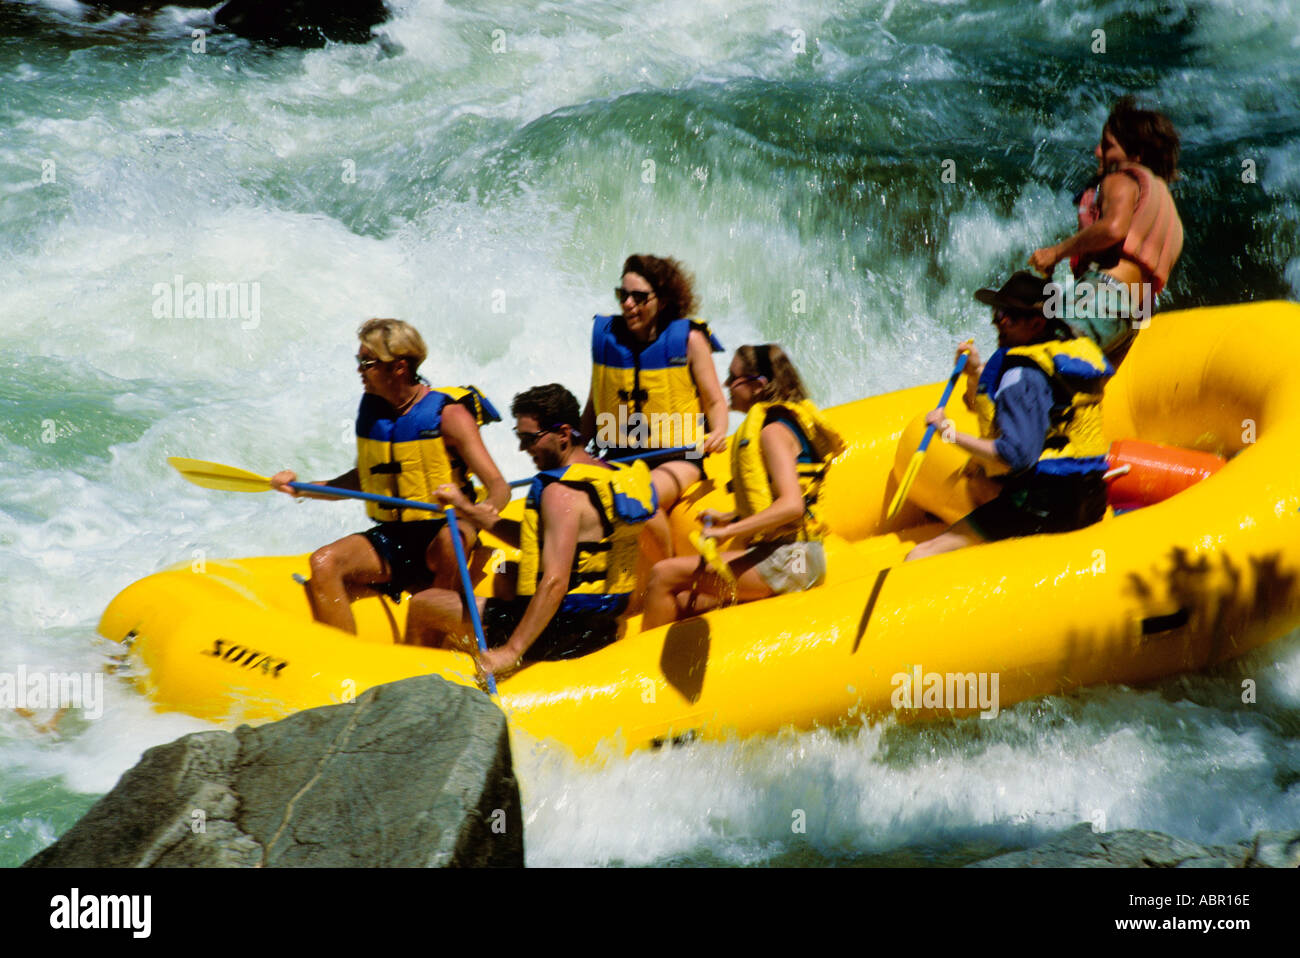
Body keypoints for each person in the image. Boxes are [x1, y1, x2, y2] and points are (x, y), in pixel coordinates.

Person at [271, 318, 509, 634]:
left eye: (367, 362)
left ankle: (432, 639)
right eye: (359, 360)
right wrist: (299, 488)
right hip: (396, 535)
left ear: (398, 367)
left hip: (447, 528)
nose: (359, 369)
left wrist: (478, 514)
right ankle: (346, 661)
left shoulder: (450, 417)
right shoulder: (376, 414)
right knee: (323, 562)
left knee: (451, 540)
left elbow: (499, 487)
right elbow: (362, 481)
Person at [404, 383, 658, 678]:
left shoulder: (559, 492)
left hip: (560, 632)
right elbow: (539, 540)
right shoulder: (609, 474)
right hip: (601, 624)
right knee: (508, 573)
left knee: (424, 604)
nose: (522, 448)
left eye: (529, 438)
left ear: (562, 434)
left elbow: (554, 583)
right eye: (519, 437)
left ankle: (418, 682)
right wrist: (467, 509)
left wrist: (510, 652)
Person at [905, 273, 1111, 562]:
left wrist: (947, 432)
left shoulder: (1021, 374)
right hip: (1090, 498)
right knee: (980, 481)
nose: (996, 321)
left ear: (1037, 323)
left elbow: (1013, 456)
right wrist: (976, 372)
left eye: (1007, 315)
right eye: (996, 312)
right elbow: (1005, 415)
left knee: (920, 554)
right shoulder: (1068, 354)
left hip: (1045, 508)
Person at [641, 344, 844, 628]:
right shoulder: (783, 423)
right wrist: (730, 517)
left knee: (663, 574)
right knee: (688, 602)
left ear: (758, 385)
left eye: (733, 377)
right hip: (791, 556)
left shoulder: (772, 432)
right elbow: (782, 501)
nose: (726, 384)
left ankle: (643, 671)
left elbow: (792, 506)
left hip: (790, 560)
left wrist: (729, 531)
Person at [581, 254, 729, 562]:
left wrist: (718, 431)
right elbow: (594, 408)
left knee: (636, 498)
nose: (628, 305)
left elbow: (715, 401)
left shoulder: (689, 340)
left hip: (679, 458)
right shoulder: (607, 341)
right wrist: (576, 455)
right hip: (620, 457)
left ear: (661, 300)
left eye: (639, 297)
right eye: (623, 296)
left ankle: (667, 573)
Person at [1029, 96, 1183, 368]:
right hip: (1132, 317)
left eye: (1108, 145)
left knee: (1029, 348)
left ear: (1136, 156)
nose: (1098, 152)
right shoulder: (1166, 205)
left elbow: (1113, 228)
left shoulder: (1122, 177)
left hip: (1102, 296)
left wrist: (1055, 253)